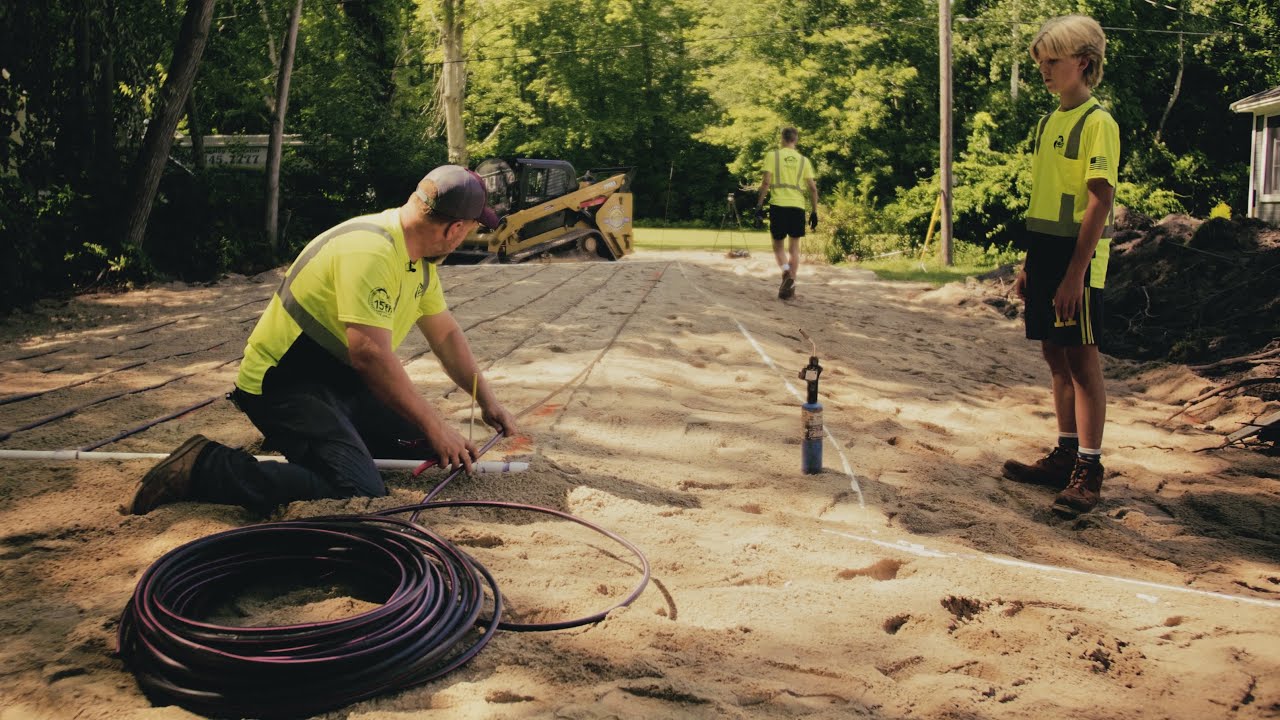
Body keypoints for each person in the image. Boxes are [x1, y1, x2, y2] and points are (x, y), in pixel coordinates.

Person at [124, 165, 518, 516]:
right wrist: (436, 423)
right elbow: (369, 355)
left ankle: (319, 441)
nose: (467, 236)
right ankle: (203, 466)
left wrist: (486, 400)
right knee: (355, 490)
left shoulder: (419, 263)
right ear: (454, 229)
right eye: (470, 229)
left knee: (428, 447)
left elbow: (445, 333)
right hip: (285, 384)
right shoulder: (372, 251)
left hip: (341, 382)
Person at [1001, 15, 1119, 519]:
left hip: (1078, 259)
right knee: (1054, 354)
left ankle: (1088, 470)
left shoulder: (1099, 123)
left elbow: (1099, 203)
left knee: (1081, 360)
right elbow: (1043, 198)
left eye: (1053, 62)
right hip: (1045, 254)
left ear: (1084, 63)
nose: (1044, 71)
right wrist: (1030, 262)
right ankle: (1065, 453)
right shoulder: (1050, 122)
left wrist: (1075, 273)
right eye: (1041, 63)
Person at [754, 127, 819, 300]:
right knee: (794, 248)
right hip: (797, 206)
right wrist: (814, 212)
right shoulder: (804, 160)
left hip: (778, 205)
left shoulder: (772, 156)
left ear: (782, 139)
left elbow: (766, 183)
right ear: (795, 139)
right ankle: (791, 284)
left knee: (777, 245)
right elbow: (812, 188)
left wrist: (759, 205)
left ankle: (786, 272)